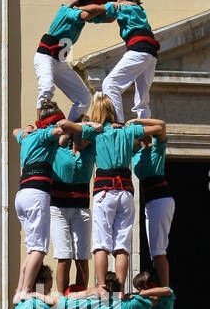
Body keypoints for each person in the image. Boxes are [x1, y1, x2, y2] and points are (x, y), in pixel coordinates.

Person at [82, 93, 164, 288]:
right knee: (122, 247)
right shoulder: (127, 132)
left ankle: (102, 287)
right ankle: (120, 290)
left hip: (104, 191)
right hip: (126, 192)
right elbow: (159, 127)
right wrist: (135, 121)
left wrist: (90, 124)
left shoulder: (96, 133)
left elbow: (68, 127)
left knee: (101, 244)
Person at [13, 101, 86, 298]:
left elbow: (15, 131)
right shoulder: (45, 134)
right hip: (37, 192)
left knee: (31, 248)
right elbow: (60, 129)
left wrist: (27, 128)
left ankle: (20, 289)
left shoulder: (28, 137)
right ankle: (27, 290)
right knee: (39, 248)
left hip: (22, 194)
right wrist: (80, 124)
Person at [33, 4, 102, 121]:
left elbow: (110, 18)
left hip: (60, 61)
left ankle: (69, 130)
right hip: (45, 56)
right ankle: (41, 129)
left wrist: (115, 7)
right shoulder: (66, 11)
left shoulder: (83, 18)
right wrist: (107, 6)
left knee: (84, 98)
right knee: (46, 87)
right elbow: (85, 14)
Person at [100, 1, 161, 122]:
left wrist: (79, 8)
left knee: (110, 84)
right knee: (142, 97)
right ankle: (143, 126)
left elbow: (97, 10)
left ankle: (118, 123)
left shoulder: (121, 5)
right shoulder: (138, 7)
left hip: (139, 49)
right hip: (151, 53)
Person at [51, 130, 95, 293]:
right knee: (64, 257)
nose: (84, 136)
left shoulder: (91, 149)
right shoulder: (58, 148)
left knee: (82, 258)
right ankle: (63, 302)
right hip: (58, 209)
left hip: (81, 209)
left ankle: (80, 303)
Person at [132, 129, 173, 286]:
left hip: (160, 200)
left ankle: (165, 290)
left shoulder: (157, 148)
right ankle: (160, 286)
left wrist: (141, 123)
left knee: (158, 251)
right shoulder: (135, 154)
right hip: (150, 203)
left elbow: (161, 126)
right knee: (154, 252)